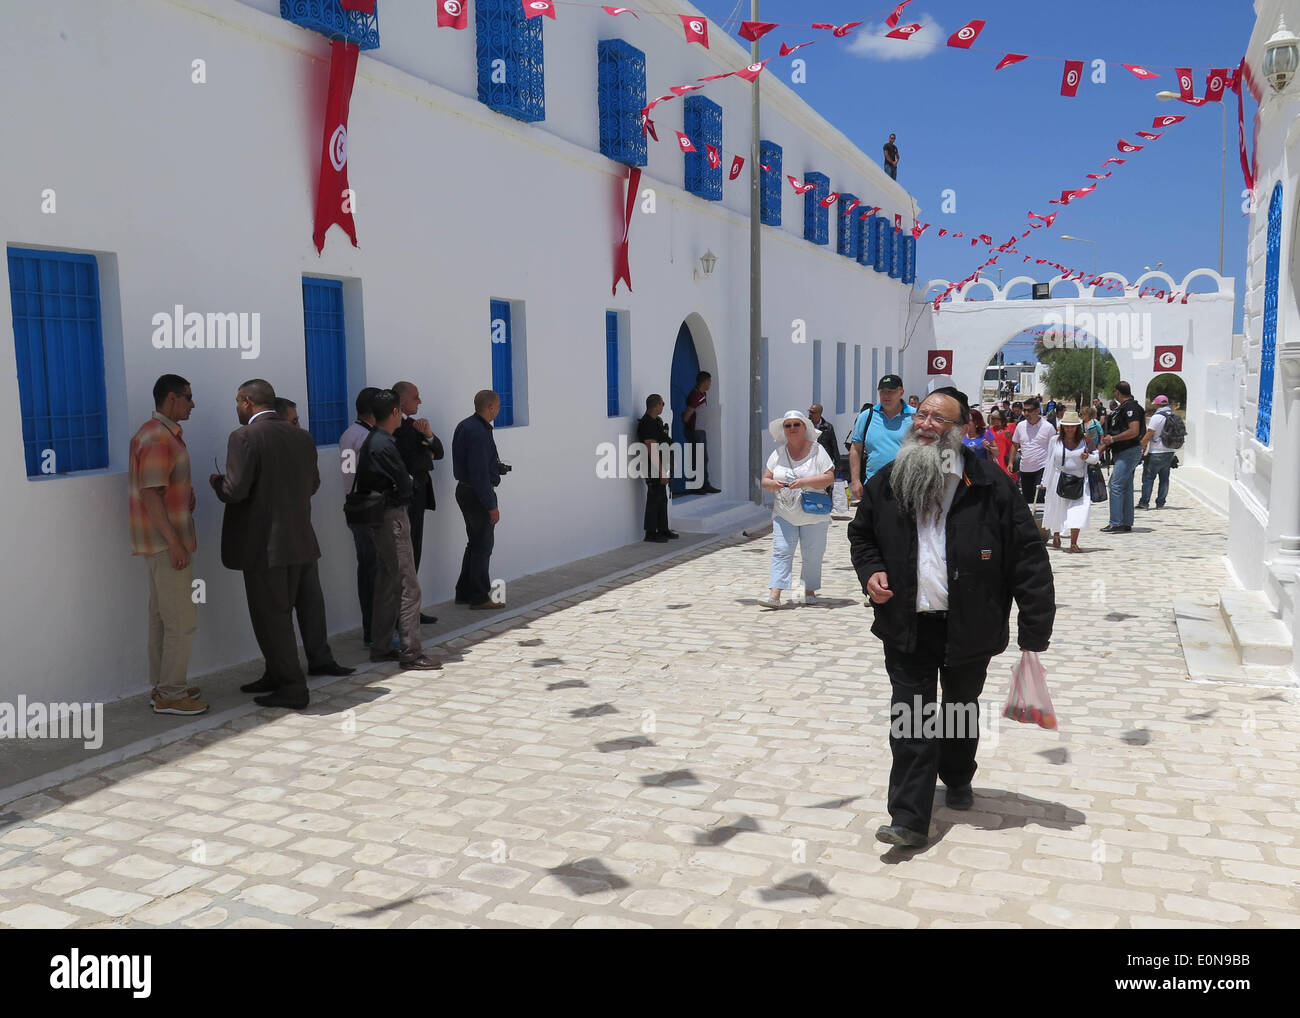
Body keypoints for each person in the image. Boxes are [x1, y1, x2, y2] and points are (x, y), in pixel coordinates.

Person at [848, 387, 1055, 848]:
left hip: (970, 625)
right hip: (907, 625)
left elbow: (1027, 556)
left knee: (960, 709)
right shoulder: (888, 481)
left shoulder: (990, 484)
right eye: (921, 415)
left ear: (961, 431)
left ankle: (958, 775)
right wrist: (872, 572)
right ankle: (908, 817)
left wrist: (1034, 630)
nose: (925, 424)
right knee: (912, 720)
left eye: (938, 420)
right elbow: (861, 536)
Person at [209, 379, 322, 710]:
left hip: (263, 546)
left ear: (246, 402)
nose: (236, 408)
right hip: (299, 540)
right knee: (280, 614)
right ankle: (276, 673)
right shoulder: (301, 436)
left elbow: (235, 490)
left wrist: (218, 483)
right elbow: (313, 483)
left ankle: (292, 687)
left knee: (271, 618)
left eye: (237, 402)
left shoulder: (243, 436)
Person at [253, 395, 354, 682]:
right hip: (282, 543)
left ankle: (317, 659)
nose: (299, 426)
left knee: (310, 603)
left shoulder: (301, 446)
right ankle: (282, 671)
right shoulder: (270, 447)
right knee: (282, 609)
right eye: (294, 420)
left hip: (301, 538)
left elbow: (313, 483)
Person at [130, 375, 206, 716]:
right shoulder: (159, 437)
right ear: (172, 398)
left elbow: (159, 490)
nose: (192, 403)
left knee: (162, 618)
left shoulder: (159, 434)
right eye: (188, 397)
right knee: (181, 620)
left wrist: (184, 497)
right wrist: (175, 544)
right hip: (166, 545)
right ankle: (172, 694)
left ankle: (164, 687)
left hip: (161, 542)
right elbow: (150, 494)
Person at [355, 390, 442, 671]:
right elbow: (405, 483)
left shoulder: (376, 440)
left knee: (386, 583)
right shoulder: (383, 444)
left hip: (380, 516)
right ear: (395, 412)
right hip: (391, 518)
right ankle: (410, 651)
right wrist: (405, 483)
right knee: (408, 586)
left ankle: (381, 647)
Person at [757, 412, 835, 609]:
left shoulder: (817, 451)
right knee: (782, 551)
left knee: (812, 553)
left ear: (805, 428)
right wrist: (774, 484)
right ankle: (775, 593)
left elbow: (829, 477)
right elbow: (765, 480)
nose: (792, 428)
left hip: (813, 512)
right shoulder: (778, 453)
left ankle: (809, 589)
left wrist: (804, 482)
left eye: (796, 425)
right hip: (785, 511)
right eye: (788, 425)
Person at [392, 382, 442, 627]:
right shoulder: (397, 428)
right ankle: (404, 613)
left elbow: (439, 451)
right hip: (407, 500)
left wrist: (429, 436)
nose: (419, 401)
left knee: (415, 553)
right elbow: (413, 461)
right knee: (407, 556)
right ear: (401, 402)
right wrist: (427, 456)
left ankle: (412, 608)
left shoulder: (416, 426)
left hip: (418, 498)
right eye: (415, 397)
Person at [452, 390, 508, 610]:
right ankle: (479, 596)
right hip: (477, 494)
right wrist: (491, 505)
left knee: (474, 543)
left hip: (465, 491)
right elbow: (478, 473)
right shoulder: (478, 432)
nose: (499, 410)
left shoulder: (466, 425)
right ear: (491, 407)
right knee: (483, 545)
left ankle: (464, 591)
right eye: (498, 406)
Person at [339, 387, 382, 648]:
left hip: (354, 506)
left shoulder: (348, 434)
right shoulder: (369, 438)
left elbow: (348, 473)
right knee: (376, 573)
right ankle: (376, 632)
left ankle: (371, 630)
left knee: (367, 570)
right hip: (371, 509)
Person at [849, 374, 916, 503]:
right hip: (874, 485)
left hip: (908, 485)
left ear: (901, 392)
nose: (886, 396)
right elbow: (856, 449)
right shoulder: (866, 416)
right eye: (883, 392)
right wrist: (856, 481)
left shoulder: (915, 416)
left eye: (890, 392)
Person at [1041, 411, 1100, 553]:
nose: (1069, 429)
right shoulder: (1055, 440)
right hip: (1058, 478)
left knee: (1079, 511)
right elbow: (1049, 461)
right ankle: (1056, 535)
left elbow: (1096, 458)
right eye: (1066, 426)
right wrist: (1045, 481)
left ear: (1077, 427)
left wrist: (1087, 457)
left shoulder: (1086, 440)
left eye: (1072, 426)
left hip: (1079, 479)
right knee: (1057, 509)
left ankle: (1073, 542)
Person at [1099, 381, 1146, 534]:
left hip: (1129, 450)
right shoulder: (1123, 408)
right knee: (1125, 486)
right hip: (1124, 451)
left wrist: (1113, 439)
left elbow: (1134, 431)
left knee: (1115, 485)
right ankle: (1126, 521)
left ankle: (1116, 522)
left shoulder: (1131, 407)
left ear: (1117, 392)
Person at [637, 394, 678, 543]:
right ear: (656, 405)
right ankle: (650, 532)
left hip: (661, 464)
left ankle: (663, 529)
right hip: (652, 466)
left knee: (662, 497)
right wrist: (661, 471)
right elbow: (652, 449)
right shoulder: (647, 424)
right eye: (662, 403)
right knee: (654, 497)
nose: (663, 406)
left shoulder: (657, 422)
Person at [1010, 398, 1056, 507]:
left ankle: (1041, 524)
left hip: (1042, 468)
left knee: (1039, 500)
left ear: (1037, 411)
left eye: (1029, 410)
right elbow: (1015, 444)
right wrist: (1011, 462)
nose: (1026, 413)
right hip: (1025, 469)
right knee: (1027, 501)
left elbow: (1054, 448)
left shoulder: (1048, 427)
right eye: (1024, 410)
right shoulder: (1020, 426)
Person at [682, 371, 720, 494]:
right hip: (695, 431)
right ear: (705, 382)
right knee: (698, 458)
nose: (710, 384)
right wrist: (686, 421)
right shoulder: (695, 395)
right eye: (709, 381)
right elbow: (688, 414)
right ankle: (697, 485)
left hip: (701, 431)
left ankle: (704, 484)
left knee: (703, 458)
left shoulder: (701, 394)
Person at [1138, 395, 1178, 510]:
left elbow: (1149, 433)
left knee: (1149, 478)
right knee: (1164, 479)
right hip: (1170, 451)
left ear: (1158, 404)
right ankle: (1160, 503)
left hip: (1156, 452)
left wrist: (1141, 445)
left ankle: (1144, 503)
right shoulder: (1173, 416)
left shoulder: (1157, 417)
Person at [808, 403, 842, 493]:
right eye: (809, 411)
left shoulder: (828, 427)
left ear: (819, 414)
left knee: (825, 485)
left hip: (824, 460)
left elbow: (834, 445)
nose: (810, 414)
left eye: (813, 412)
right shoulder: (805, 426)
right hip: (810, 460)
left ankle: (826, 502)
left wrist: (838, 463)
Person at [986, 410, 1015, 477]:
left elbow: (1015, 444)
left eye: (993, 418)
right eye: (991, 418)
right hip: (996, 460)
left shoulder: (1011, 427)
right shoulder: (990, 430)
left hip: (1008, 459)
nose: (991, 420)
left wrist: (1010, 437)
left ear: (1000, 419)